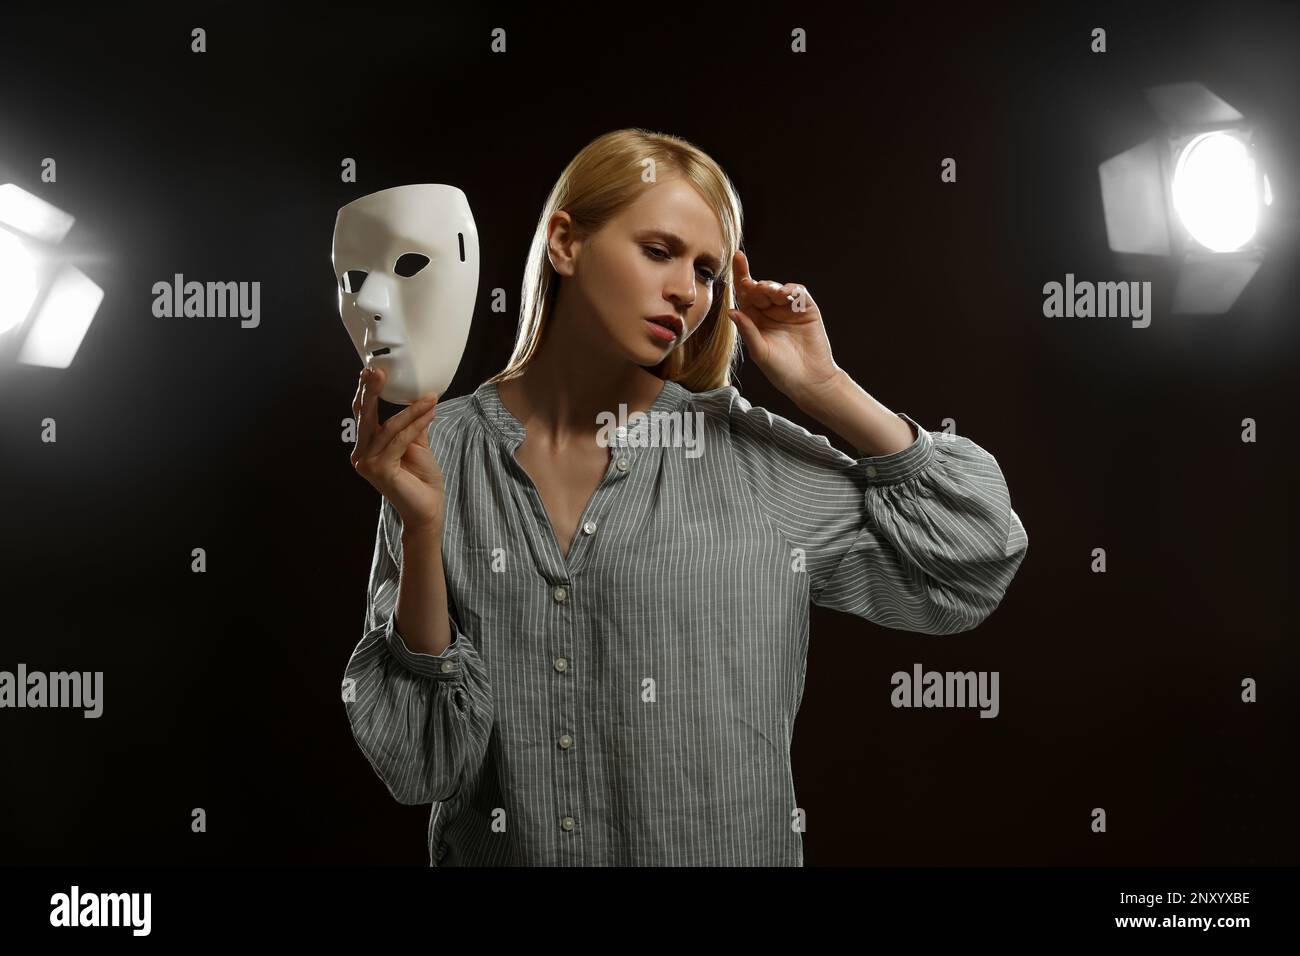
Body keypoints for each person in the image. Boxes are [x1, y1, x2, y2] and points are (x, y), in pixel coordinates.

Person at [343, 128, 1029, 866]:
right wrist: (421, 532)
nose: (687, 291)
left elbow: (970, 565)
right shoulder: (436, 450)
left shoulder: (746, 459)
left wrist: (826, 390)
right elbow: (424, 765)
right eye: (660, 251)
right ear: (566, 243)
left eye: (707, 272)